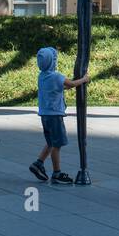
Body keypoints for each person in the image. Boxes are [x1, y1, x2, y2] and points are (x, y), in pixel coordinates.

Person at [28, 47, 89, 186]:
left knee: (50, 142)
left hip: (44, 115)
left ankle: (38, 164)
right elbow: (72, 84)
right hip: (55, 116)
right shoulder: (56, 77)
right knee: (57, 145)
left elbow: (59, 87)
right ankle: (57, 173)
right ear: (52, 62)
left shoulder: (42, 76)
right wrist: (84, 79)